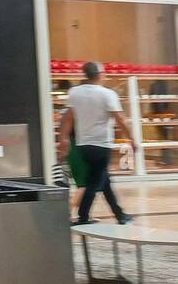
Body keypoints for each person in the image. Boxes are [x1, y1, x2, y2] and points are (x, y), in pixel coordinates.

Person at [57, 61, 136, 226]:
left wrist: (63, 139)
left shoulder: (74, 93)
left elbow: (68, 118)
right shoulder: (107, 94)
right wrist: (132, 139)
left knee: (104, 180)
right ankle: (83, 217)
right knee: (94, 182)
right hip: (102, 145)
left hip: (83, 145)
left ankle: (120, 215)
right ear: (101, 75)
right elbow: (121, 119)